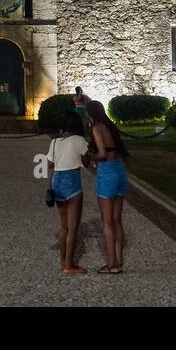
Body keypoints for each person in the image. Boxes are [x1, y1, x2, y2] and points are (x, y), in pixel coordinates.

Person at [86, 100, 129, 274]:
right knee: (118, 220)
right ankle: (118, 260)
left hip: (107, 172)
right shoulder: (110, 126)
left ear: (90, 114)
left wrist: (91, 156)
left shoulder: (96, 128)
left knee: (107, 222)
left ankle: (111, 263)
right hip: (120, 170)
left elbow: (102, 154)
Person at [46, 111, 90, 275]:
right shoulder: (79, 140)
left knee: (63, 226)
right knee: (73, 228)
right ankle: (69, 265)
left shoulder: (55, 141)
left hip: (57, 181)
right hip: (72, 181)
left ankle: (62, 261)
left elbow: (49, 164)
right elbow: (86, 162)